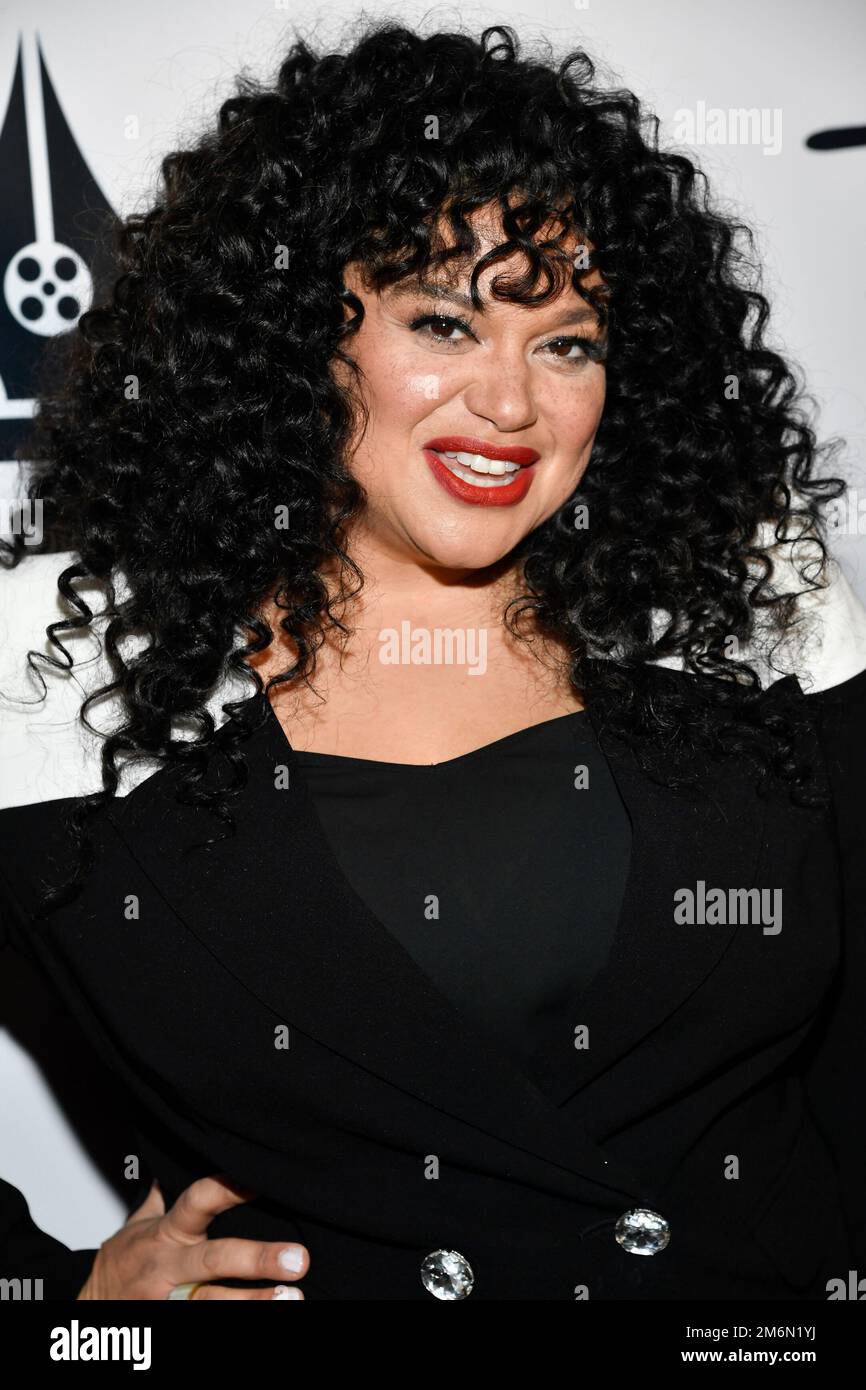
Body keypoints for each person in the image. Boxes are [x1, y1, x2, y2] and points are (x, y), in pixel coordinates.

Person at [1, 20, 865, 1301]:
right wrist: (73, 1323)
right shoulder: (62, 673)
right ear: (302, 333)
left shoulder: (743, 593)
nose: (511, 403)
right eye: (443, 323)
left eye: (567, 339)